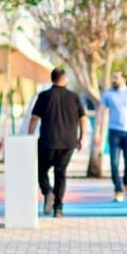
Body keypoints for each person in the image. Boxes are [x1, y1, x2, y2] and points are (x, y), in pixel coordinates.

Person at [28, 67, 85, 218]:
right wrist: (82, 137)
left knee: (41, 172)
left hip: (48, 141)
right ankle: (58, 209)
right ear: (64, 79)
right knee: (60, 174)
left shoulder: (44, 96)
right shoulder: (74, 97)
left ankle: (48, 191)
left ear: (52, 79)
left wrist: (29, 135)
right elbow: (83, 118)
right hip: (68, 143)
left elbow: (34, 118)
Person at [100, 71, 127, 203]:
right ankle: (118, 190)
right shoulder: (108, 94)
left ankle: (126, 182)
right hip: (114, 132)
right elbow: (101, 112)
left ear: (123, 79)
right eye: (113, 77)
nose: (114, 80)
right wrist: (98, 133)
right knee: (114, 163)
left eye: (116, 77)